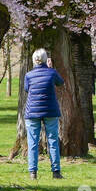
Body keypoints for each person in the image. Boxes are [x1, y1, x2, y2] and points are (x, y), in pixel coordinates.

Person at [22, 48, 64, 180]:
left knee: (33, 141)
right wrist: (51, 68)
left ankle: (33, 172)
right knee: (53, 140)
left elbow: (27, 89)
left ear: (34, 60)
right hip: (50, 110)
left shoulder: (28, 75)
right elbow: (61, 82)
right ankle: (56, 171)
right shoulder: (52, 73)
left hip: (32, 111)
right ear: (46, 60)